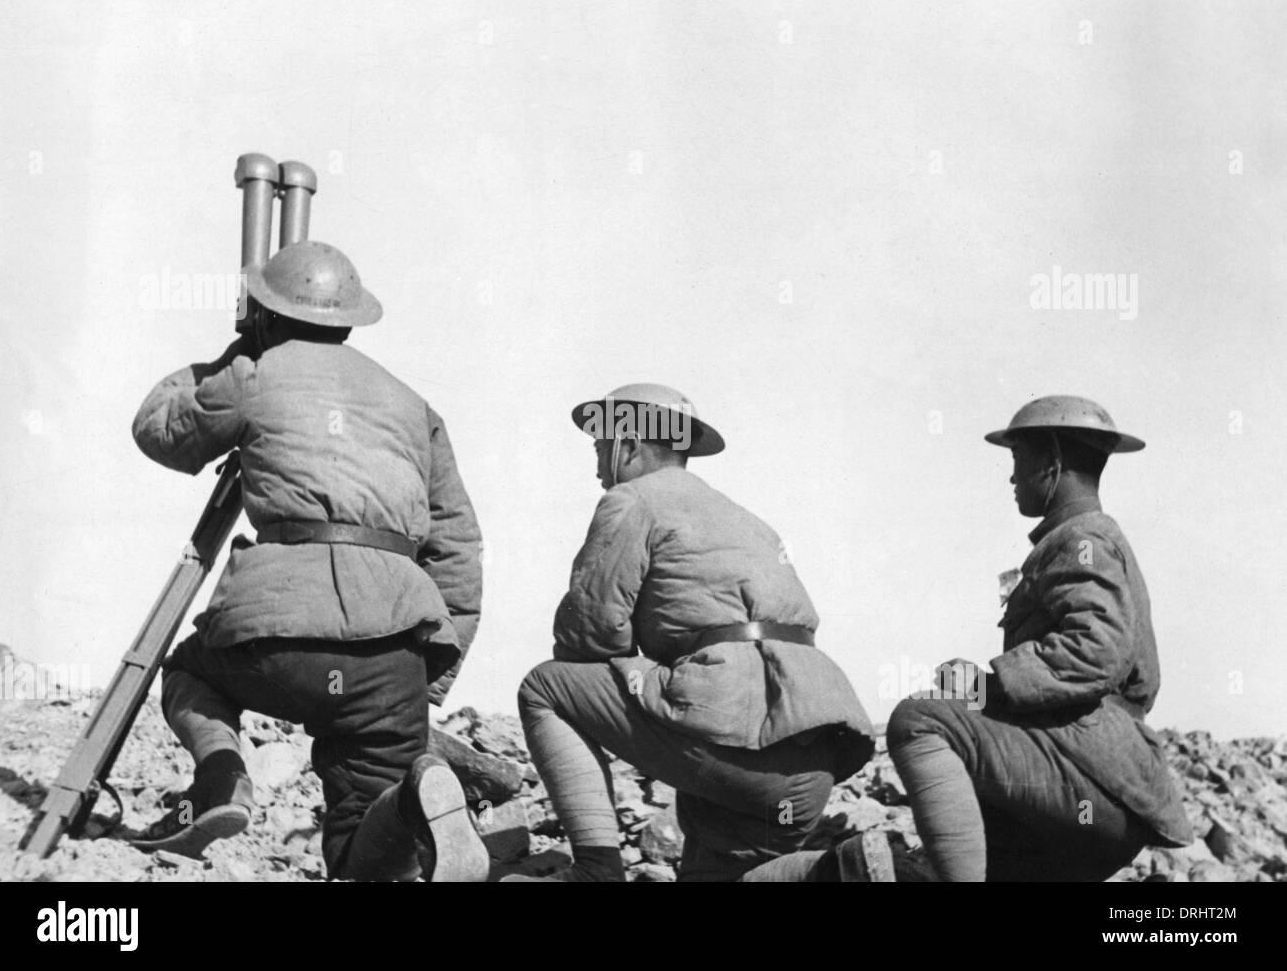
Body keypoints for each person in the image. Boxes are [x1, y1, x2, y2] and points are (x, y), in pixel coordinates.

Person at [129, 240, 488, 881]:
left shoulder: (252, 375)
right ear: (350, 321)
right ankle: (414, 799)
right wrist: (425, 681)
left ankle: (221, 780)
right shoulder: (414, 406)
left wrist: (229, 357)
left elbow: (158, 429)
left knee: (190, 671)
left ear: (265, 313)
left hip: (277, 642)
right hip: (394, 650)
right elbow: (458, 546)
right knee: (360, 852)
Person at [511, 383, 877, 882]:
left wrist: (636, 663)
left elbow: (588, 632)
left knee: (545, 686)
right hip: (810, 768)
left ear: (630, 446)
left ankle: (596, 870)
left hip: (733, 747)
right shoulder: (748, 520)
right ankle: (830, 871)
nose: (597, 467)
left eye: (600, 448)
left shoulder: (632, 499)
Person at [886, 396, 1193, 881]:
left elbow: (1097, 651)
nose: (1012, 478)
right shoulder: (1088, 539)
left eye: (1018, 461)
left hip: (1096, 777)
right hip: (1105, 780)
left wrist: (994, 683)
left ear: (1050, 462)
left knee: (920, 719)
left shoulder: (1083, 540)